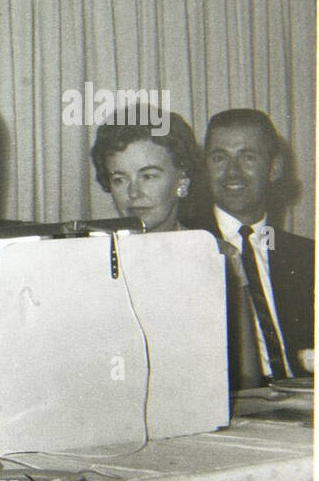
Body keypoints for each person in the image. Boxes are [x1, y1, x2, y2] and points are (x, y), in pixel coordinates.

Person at [202, 109, 314, 385]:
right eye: (219, 158)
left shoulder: (307, 257)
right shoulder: (190, 247)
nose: (232, 172)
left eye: (248, 157)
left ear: (274, 168)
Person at [90, 114, 202, 232]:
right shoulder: (88, 250)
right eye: (119, 180)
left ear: (182, 183)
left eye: (148, 177)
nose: (133, 193)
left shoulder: (211, 249)